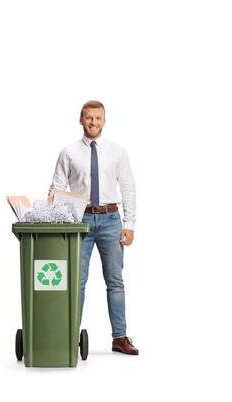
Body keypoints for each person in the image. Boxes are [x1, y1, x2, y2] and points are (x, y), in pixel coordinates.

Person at [49, 100, 139, 355]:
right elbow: (56, 188)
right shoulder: (69, 152)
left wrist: (129, 224)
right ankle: (70, 335)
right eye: (89, 118)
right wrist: (55, 219)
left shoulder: (117, 151)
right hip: (81, 222)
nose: (93, 123)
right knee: (76, 282)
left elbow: (128, 187)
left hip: (111, 220)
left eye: (98, 118)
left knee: (115, 281)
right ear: (81, 120)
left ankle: (119, 337)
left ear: (104, 120)